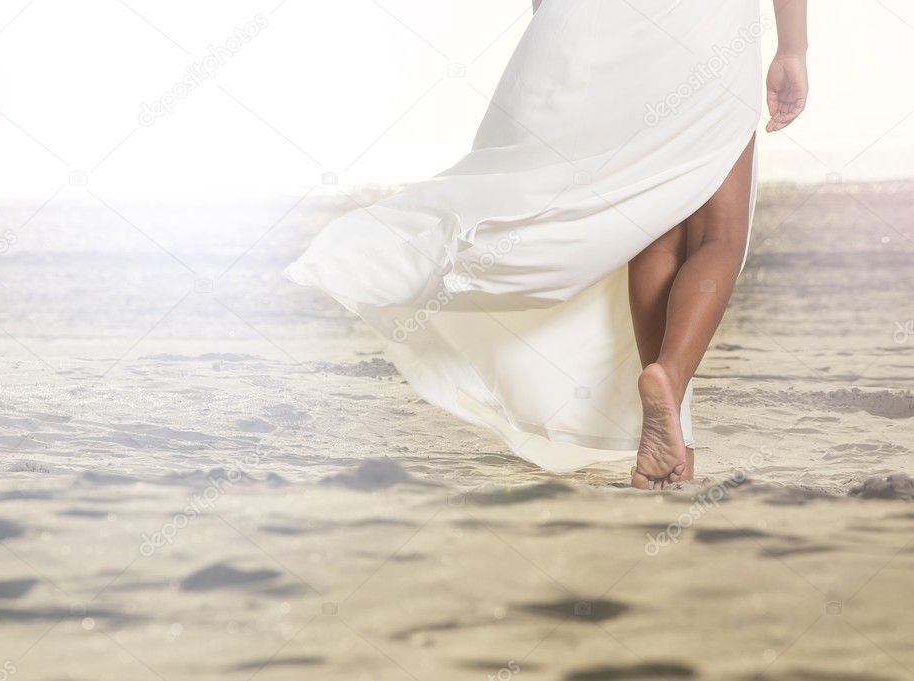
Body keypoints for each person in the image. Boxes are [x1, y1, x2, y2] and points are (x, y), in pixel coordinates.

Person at [286, 0, 808, 490]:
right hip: (705, 24)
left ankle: (675, 435)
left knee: (650, 220)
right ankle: (667, 377)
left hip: (593, 23)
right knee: (718, 235)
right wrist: (792, 48)